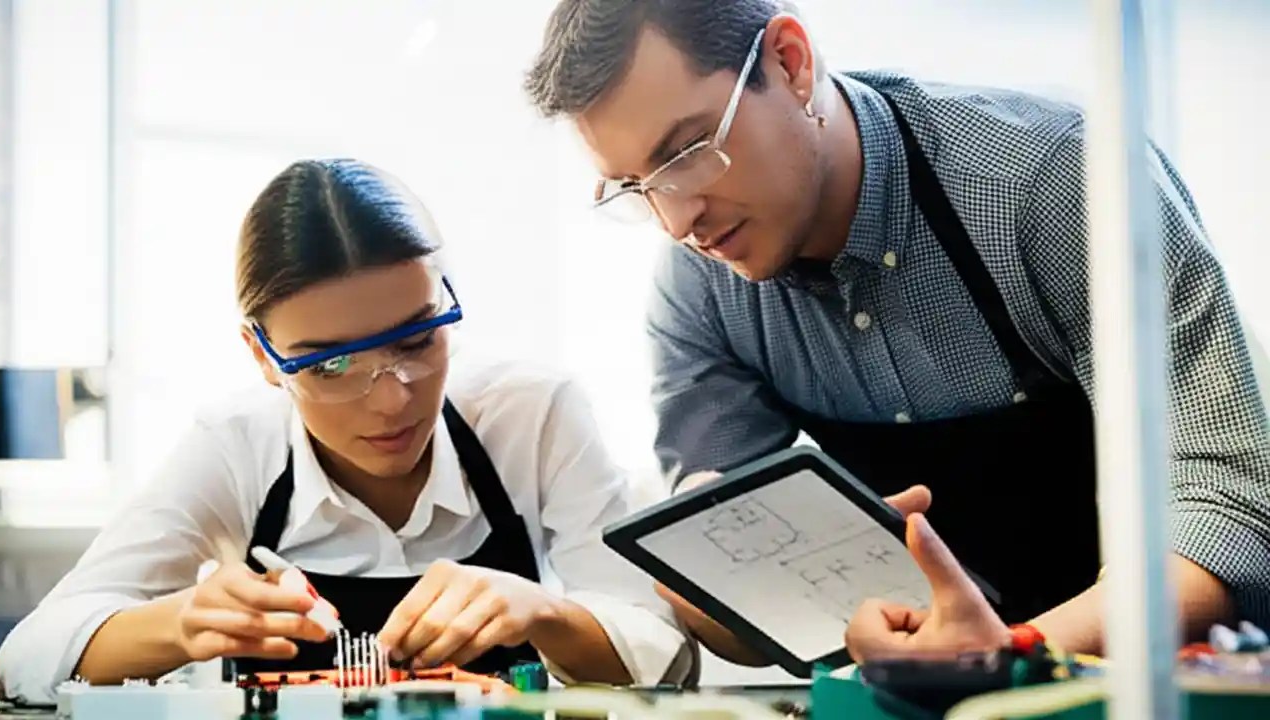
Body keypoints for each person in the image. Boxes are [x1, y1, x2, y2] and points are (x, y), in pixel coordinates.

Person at [524, 0, 1270, 665]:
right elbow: (740, 629)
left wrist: (1009, 656)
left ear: (790, 63)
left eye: (686, 153)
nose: (677, 220)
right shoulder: (699, 287)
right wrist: (713, 581)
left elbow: (1230, 510)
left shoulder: (1057, 179)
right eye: (636, 188)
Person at [0, 160, 691, 705]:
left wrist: (542, 611)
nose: (391, 401)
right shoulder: (235, 445)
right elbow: (26, 659)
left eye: (417, 340)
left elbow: (669, 654)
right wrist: (180, 623)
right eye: (330, 365)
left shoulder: (532, 413)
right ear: (264, 357)